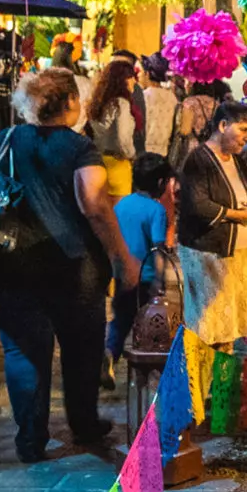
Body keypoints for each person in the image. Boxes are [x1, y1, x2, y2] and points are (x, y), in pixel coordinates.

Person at [0, 68, 141, 463]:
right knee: (81, 348)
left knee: (23, 351)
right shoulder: (79, 147)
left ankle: (30, 437)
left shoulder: (7, 139)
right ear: (68, 102)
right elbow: (94, 205)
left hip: (9, 263)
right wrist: (120, 256)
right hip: (72, 266)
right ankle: (84, 426)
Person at [179, 103, 247, 353]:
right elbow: (198, 205)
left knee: (229, 328)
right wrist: (238, 215)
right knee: (207, 326)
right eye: (242, 129)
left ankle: (221, 386)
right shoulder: (198, 160)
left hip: (239, 253)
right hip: (209, 253)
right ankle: (200, 385)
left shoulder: (237, 161)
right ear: (222, 126)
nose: (246, 137)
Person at [109, 154, 174, 360]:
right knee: (146, 327)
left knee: (120, 320)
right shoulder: (156, 210)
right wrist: (159, 280)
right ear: (160, 182)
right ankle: (141, 374)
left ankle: (109, 354)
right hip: (145, 279)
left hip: (121, 274)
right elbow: (157, 249)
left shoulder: (122, 205)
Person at [84, 56, 142, 199]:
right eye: (131, 77)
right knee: (117, 218)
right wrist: (132, 155)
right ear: (122, 80)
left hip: (98, 163)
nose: (134, 81)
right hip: (118, 166)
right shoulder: (121, 103)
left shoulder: (100, 102)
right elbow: (123, 138)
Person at [138, 56, 179, 162]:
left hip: (143, 152)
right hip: (164, 152)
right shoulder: (172, 97)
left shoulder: (143, 96)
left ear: (147, 74)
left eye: (141, 72)